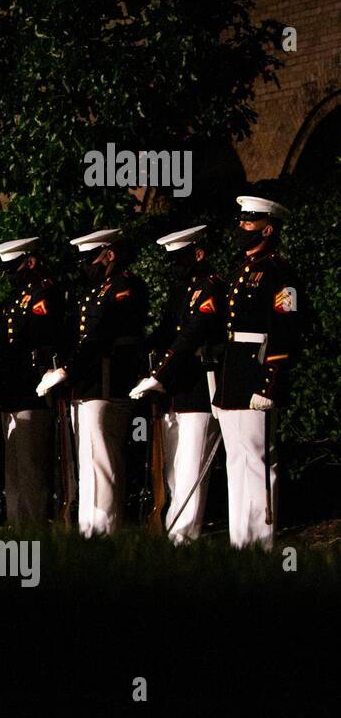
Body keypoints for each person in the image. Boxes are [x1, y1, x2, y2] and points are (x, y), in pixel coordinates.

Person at [37, 228, 148, 535]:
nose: (87, 266)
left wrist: (67, 370)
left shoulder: (125, 287)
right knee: (88, 459)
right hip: (89, 384)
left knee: (100, 458)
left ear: (109, 255)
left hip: (108, 382)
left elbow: (100, 335)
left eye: (91, 259)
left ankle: (103, 529)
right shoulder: (97, 290)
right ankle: (90, 527)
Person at [211, 192, 299, 549]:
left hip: (257, 373)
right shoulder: (243, 269)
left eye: (249, 222)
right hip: (235, 373)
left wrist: (270, 382)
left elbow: (286, 329)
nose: (242, 227)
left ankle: (261, 545)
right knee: (236, 460)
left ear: (267, 229)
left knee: (258, 463)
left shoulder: (280, 271)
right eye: (242, 220)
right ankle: (239, 542)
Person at [129, 226, 226, 542]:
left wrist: (160, 374)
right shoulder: (181, 290)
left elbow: (192, 335)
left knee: (190, 467)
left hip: (199, 386)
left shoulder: (212, 287)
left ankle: (182, 537)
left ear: (198, 254)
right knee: (172, 468)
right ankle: (173, 530)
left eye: (180, 259)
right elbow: (166, 332)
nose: (175, 267)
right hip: (177, 390)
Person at [0, 236, 65, 525]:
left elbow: (36, 335)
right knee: (14, 468)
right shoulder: (17, 297)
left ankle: (32, 528)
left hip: (32, 389)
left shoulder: (44, 293)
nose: (11, 276)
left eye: (14, 268)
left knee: (31, 466)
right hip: (12, 390)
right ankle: (16, 524)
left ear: (30, 262)